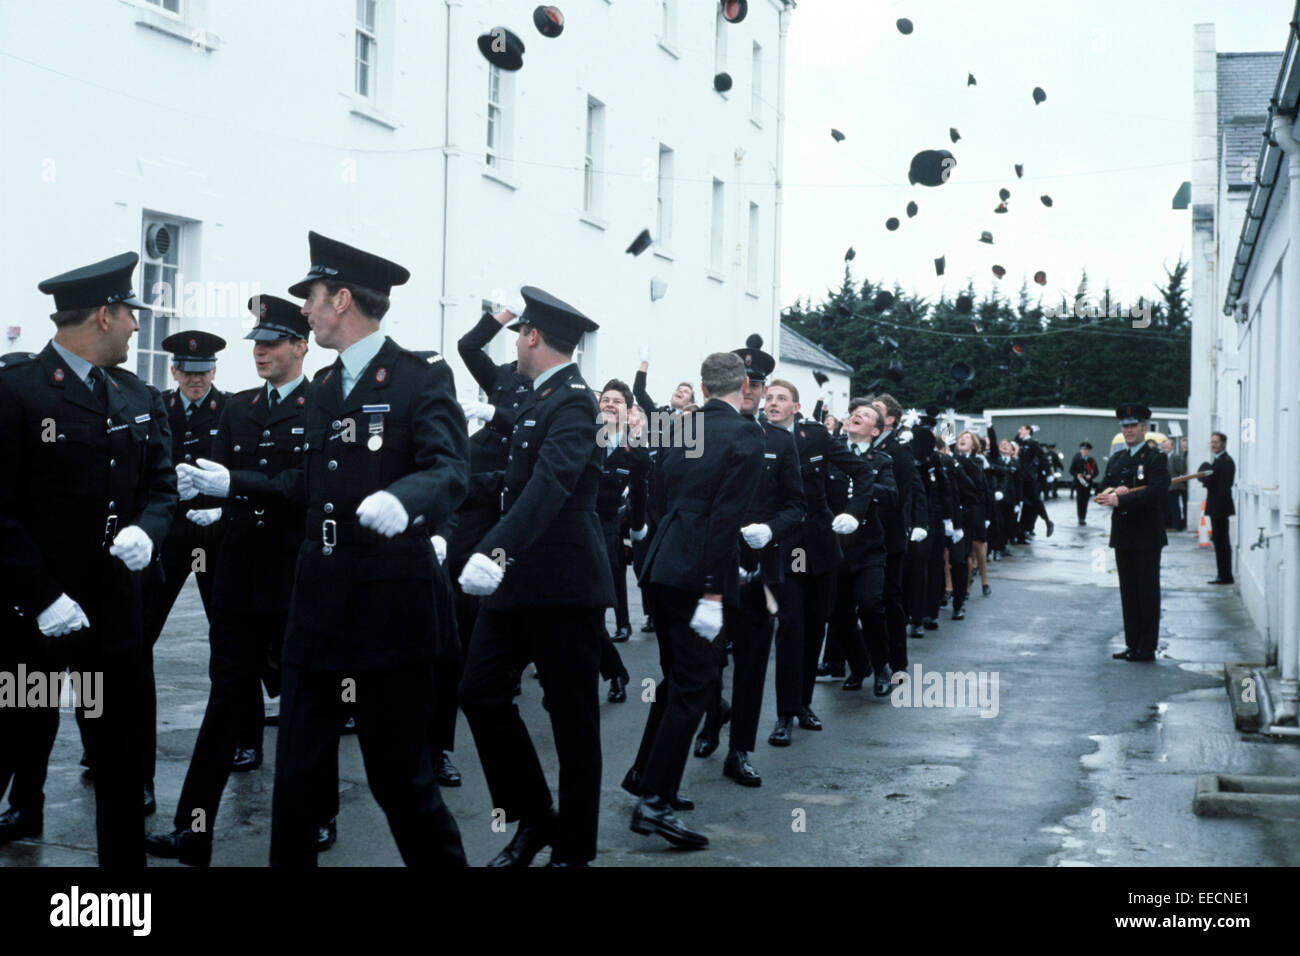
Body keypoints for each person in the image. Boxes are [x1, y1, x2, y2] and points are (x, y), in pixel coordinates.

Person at [186, 232, 471, 865]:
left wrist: (409, 498)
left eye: (311, 297)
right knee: (296, 783)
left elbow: (453, 468)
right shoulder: (322, 387)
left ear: (342, 299)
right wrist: (234, 483)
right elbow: (303, 484)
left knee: (401, 783)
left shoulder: (418, 379)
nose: (305, 311)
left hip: (387, 609)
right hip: (314, 606)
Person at [0, 252, 177, 864]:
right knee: (13, 739)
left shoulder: (134, 394)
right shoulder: (16, 390)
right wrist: (44, 598)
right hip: (35, 619)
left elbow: (162, 484)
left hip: (114, 611)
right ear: (105, 314)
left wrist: (150, 531)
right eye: (129, 314)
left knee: (120, 762)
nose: (135, 327)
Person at [147, 294, 328, 865]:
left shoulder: (323, 404)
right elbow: (216, 477)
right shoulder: (239, 409)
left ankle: (318, 814)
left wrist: (238, 487)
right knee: (226, 697)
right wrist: (205, 501)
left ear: (301, 346)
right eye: (257, 343)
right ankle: (192, 829)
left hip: (295, 574)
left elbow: (309, 486)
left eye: (273, 343)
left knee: (306, 702)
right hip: (239, 573)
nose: (262, 352)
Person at [456, 286, 612, 868]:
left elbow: (551, 486)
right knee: (479, 693)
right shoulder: (537, 393)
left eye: (517, 333)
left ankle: (573, 849)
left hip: (564, 585)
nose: (515, 343)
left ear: (531, 336)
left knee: (572, 720)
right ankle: (535, 816)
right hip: (518, 580)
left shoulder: (574, 402)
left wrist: (491, 553)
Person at [627, 352, 764, 849]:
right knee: (694, 685)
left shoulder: (681, 428)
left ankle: (645, 775)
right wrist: (711, 589)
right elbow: (726, 517)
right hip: (696, 574)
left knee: (677, 680)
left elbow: (658, 496)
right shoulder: (748, 434)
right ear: (744, 385)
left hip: (662, 563)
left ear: (703, 388)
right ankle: (656, 803)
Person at [713, 336, 803, 785]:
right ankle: (713, 714)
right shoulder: (704, 429)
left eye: (757, 385)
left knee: (751, 662)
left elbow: (796, 504)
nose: (750, 391)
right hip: (710, 565)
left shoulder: (781, 443)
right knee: (702, 660)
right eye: (744, 382)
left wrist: (773, 529)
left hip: (761, 569)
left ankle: (740, 750)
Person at [763, 379, 875, 737]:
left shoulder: (816, 437)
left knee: (815, 626)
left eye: (781, 398)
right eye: (769, 398)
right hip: (790, 545)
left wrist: (854, 513)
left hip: (823, 543)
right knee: (792, 625)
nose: (773, 403)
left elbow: (862, 471)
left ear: (796, 407)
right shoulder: (757, 437)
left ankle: (802, 703)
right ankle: (783, 714)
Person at [1096, 403, 1170, 662]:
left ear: (1144, 428)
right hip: (1124, 534)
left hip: (1146, 535)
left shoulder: (1154, 459)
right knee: (1128, 592)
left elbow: (1156, 493)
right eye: (1125, 426)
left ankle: (1147, 647)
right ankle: (1131, 644)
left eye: (1133, 426)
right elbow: (1105, 485)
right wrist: (1108, 493)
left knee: (1147, 592)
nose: (1128, 430)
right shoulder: (1118, 459)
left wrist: (1122, 500)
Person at [594, 379, 641, 700]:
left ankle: (614, 673)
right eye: (605, 400)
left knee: (592, 608)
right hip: (574, 526)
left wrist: (637, 529)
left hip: (609, 528)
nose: (609, 404)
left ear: (627, 410)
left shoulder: (634, 449)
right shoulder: (583, 438)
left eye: (617, 401)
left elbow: (641, 490)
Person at [1199, 431, 1236, 585]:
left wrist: (1206, 479)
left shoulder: (1225, 461)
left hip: (1220, 508)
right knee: (1219, 542)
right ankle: (1222, 574)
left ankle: (1225, 575)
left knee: (1222, 542)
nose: (1213, 445)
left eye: (1216, 442)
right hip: (1217, 507)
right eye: (1212, 442)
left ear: (1223, 444)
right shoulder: (1218, 460)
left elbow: (1222, 486)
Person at [1069, 442, 1099, 525]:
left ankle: (1083, 517)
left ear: (1089, 451)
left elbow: (1096, 472)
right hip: (1079, 483)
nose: (1085, 451)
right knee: (1079, 500)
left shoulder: (1091, 460)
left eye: (1086, 450)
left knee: (1085, 500)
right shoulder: (1076, 459)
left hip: (1087, 483)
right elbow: (1071, 470)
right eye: (1083, 450)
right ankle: (1080, 518)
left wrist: (1091, 476)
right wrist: (1077, 475)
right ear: (1080, 450)